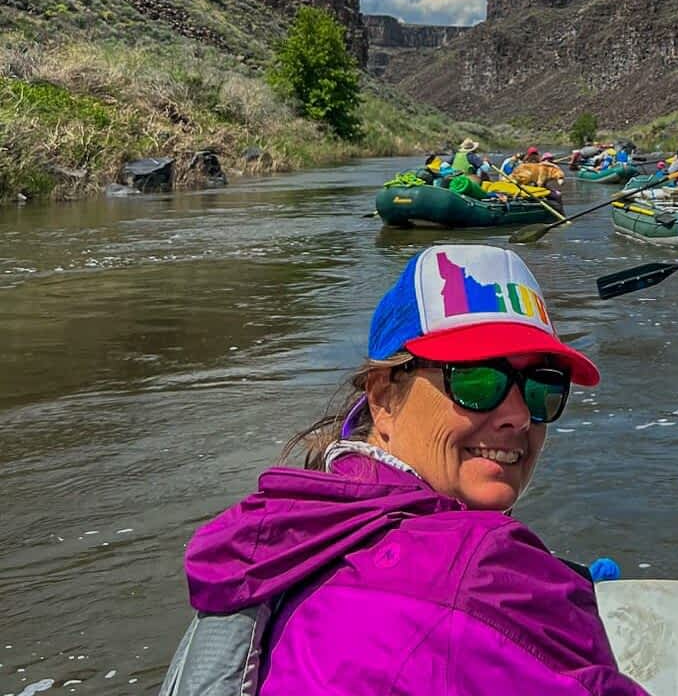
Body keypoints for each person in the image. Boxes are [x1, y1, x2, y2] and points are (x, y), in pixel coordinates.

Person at [164, 245, 648, 696]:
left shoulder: (284, 535)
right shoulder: (488, 569)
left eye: (543, 386)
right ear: (382, 396)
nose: (519, 415)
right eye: (478, 379)